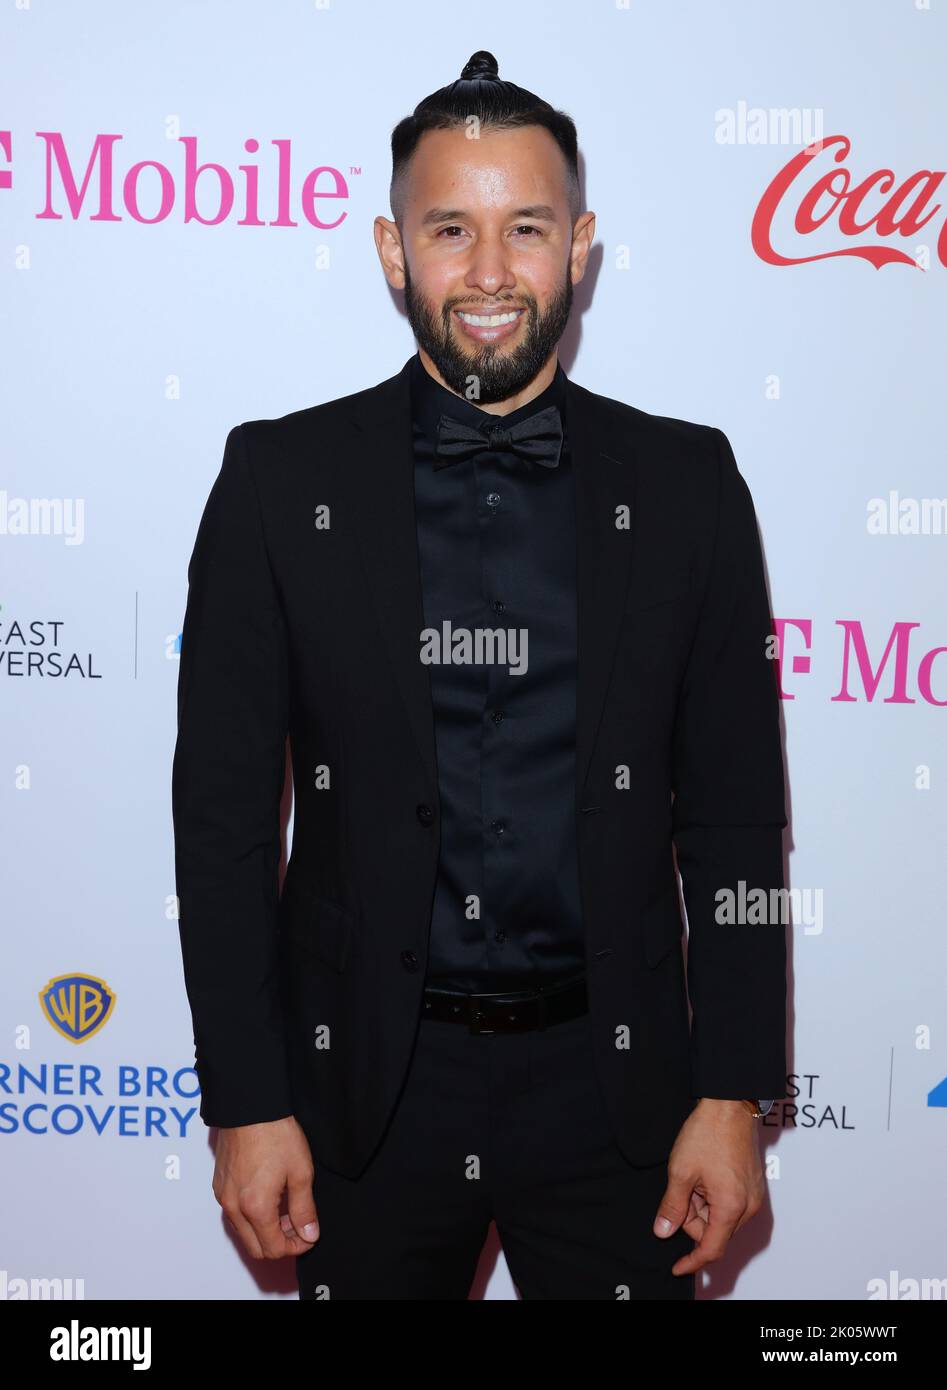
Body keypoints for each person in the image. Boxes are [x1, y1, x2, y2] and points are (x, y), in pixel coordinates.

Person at [171, 50, 788, 1300]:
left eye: (526, 228)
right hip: (362, 1097)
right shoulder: (278, 484)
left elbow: (733, 826)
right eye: (450, 229)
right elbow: (225, 831)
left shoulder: (688, 488)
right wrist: (244, 1101)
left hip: (617, 1093)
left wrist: (732, 1091)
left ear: (582, 246)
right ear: (394, 252)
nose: (491, 274)